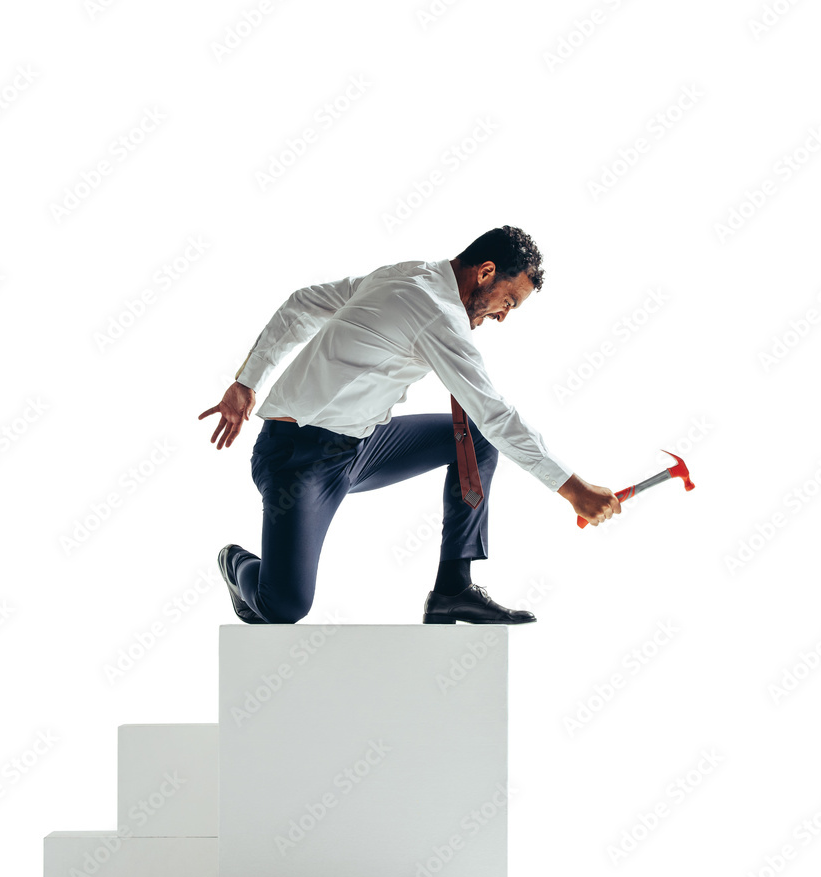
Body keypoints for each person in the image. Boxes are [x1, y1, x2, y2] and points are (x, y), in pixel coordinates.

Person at [199, 225, 620, 625]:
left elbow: (302, 303)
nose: (502, 316)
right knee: (284, 605)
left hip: (361, 447)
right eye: (508, 301)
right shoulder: (437, 314)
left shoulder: (405, 274)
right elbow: (495, 413)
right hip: (298, 456)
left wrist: (246, 382)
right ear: (486, 272)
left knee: (473, 440)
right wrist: (574, 489)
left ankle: (453, 588)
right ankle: (236, 562)